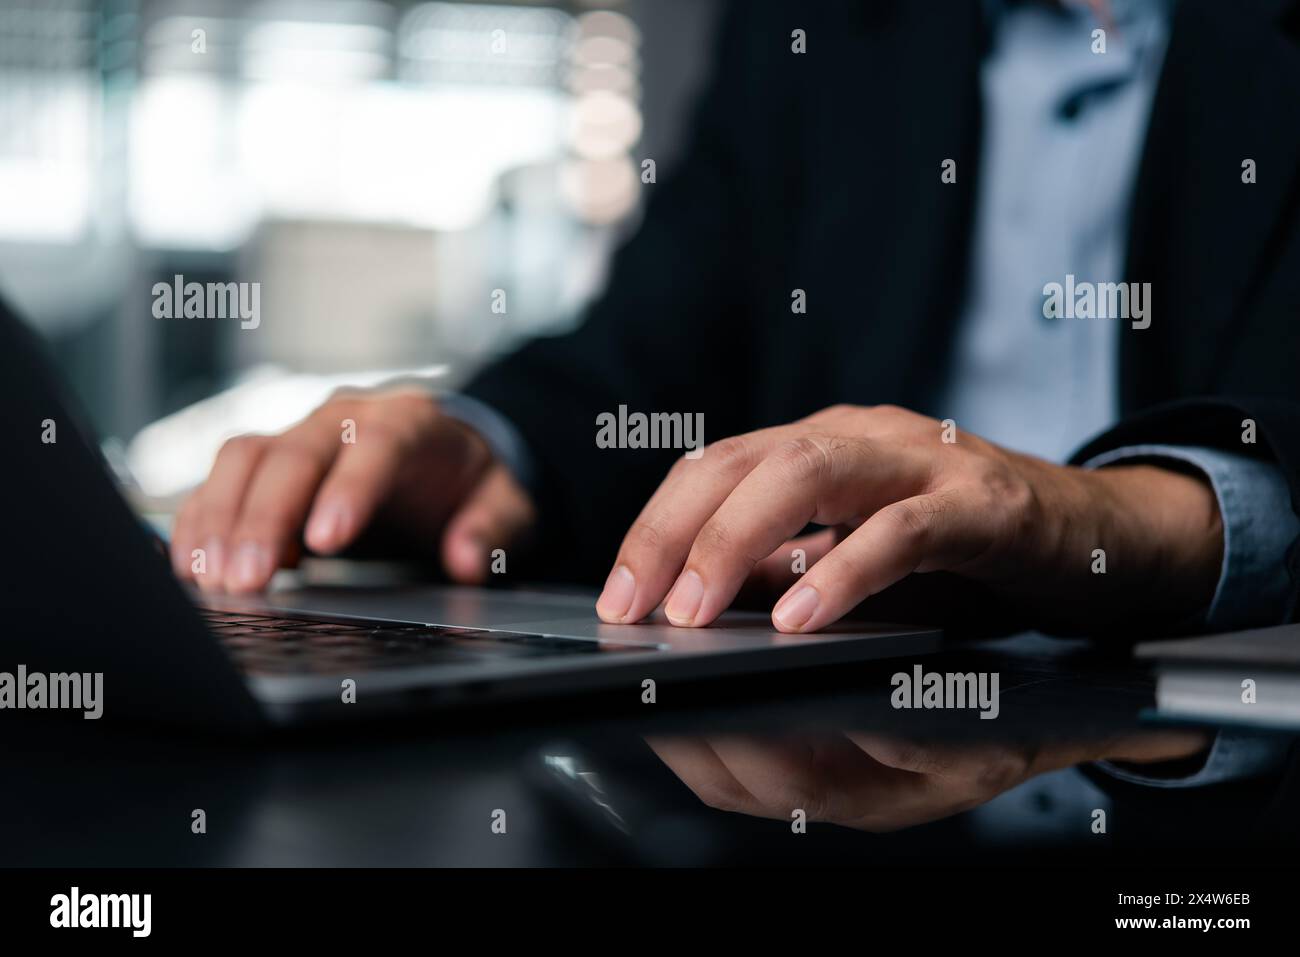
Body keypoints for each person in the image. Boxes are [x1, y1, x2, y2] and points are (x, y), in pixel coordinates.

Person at [171, 1, 1300, 660]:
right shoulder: (816, 29)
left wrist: (1120, 515)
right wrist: (482, 447)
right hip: (842, 704)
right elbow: (644, 357)